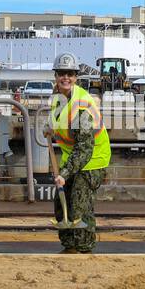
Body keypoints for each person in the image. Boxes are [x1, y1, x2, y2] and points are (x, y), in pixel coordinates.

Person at [47, 52, 110, 253]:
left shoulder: (82, 105)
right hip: (72, 159)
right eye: (62, 73)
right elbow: (60, 122)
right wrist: (50, 128)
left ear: (76, 77)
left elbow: (84, 149)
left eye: (70, 74)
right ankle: (69, 246)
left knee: (79, 206)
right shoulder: (57, 97)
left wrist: (64, 174)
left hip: (92, 160)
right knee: (61, 203)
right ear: (56, 76)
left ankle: (83, 249)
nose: (66, 78)